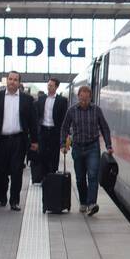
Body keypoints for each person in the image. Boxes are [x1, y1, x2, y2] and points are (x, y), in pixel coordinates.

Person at [0, 70, 39, 210]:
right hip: (1, 140)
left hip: (18, 140)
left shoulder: (27, 99)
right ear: (7, 81)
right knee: (1, 171)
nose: (12, 81)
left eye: (15, 79)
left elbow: (33, 122)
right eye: (10, 79)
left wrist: (35, 141)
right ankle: (2, 197)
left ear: (19, 83)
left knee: (17, 171)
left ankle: (14, 200)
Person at [60, 84, 113, 217]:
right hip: (77, 147)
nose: (83, 102)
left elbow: (104, 128)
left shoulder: (96, 110)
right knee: (79, 178)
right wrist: (62, 144)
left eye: (86, 99)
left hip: (92, 147)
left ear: (90, 98)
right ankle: (83, 201)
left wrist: (109, 145)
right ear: (78, 97)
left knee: (93, 175)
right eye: (81, 99)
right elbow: (64, 128)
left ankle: (91, 204)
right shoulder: (72, 111)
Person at [36, 78, 68, 176]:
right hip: (43, 130)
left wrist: (65, 136)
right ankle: (43, 177)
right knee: (42, 154)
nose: (49, 87)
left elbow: (64, 119)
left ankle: (53, 176)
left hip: (55, 131)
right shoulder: (41, 99)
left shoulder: (62, 101)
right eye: (48, 85)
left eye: (51, 85)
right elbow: (37, 115)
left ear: (56, 87)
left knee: (54, 155)